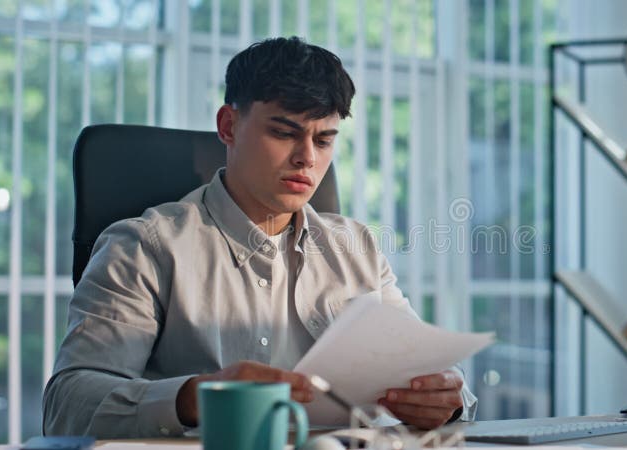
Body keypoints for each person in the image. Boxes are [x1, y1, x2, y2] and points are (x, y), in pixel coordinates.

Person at [43, 36, 476, 439]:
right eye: (284, 133)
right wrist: (196, 396)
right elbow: (66, 407)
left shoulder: (357, 247)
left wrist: (446, 400)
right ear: (229, 126)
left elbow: (436, 376)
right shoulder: (144, 248)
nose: (307, 157)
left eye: (324, 140)